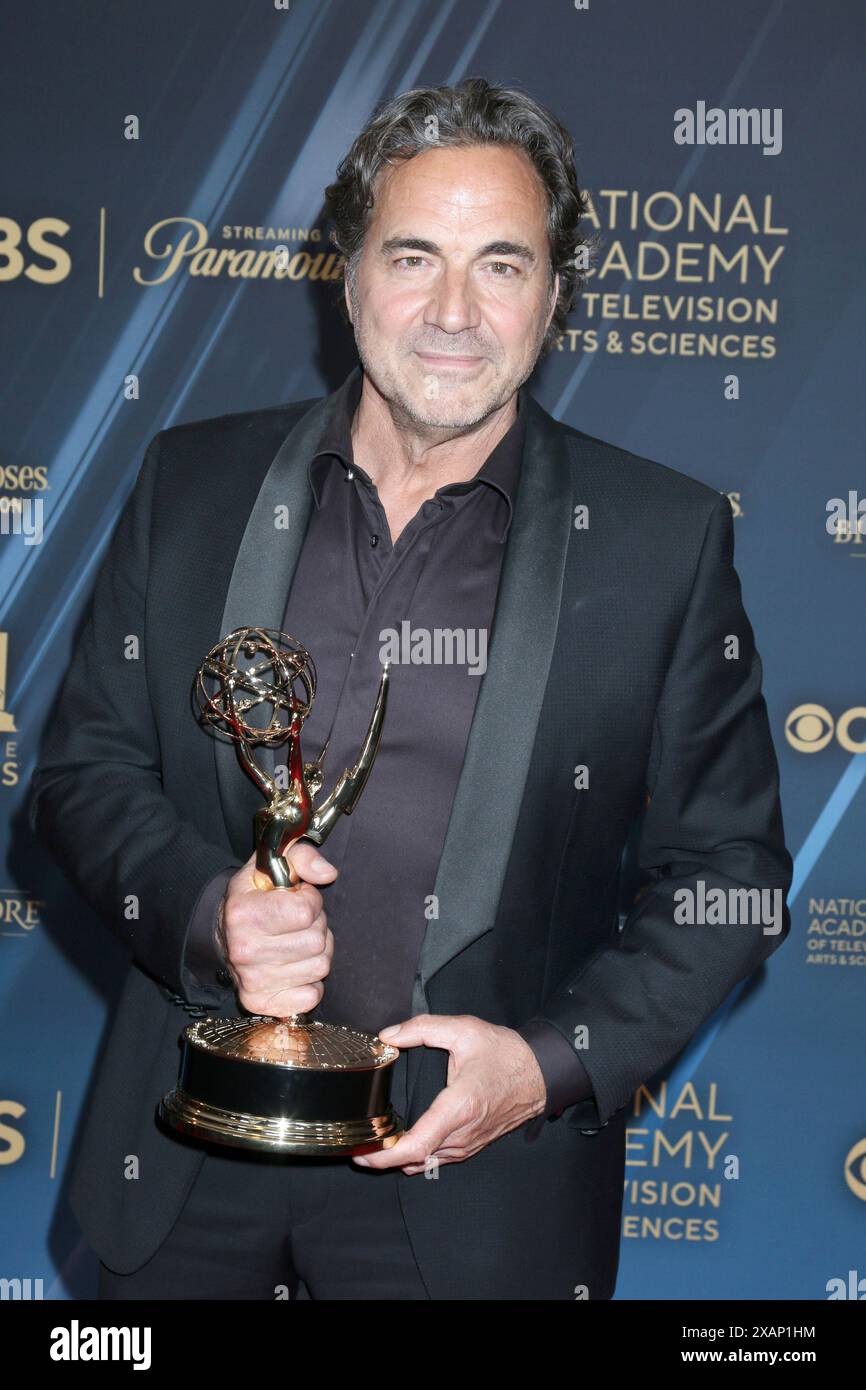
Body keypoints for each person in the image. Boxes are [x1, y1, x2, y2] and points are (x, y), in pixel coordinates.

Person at [29, 76, 792, 1301]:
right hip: (183, 1161)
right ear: (346, 277)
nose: (451, 311)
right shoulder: (193, 481)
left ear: (553, 296)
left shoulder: (658, 540)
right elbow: (82, 773)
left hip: (474, 1191)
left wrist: (544, 1065)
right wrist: (202, 912)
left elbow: (729, 875)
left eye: (499, 264)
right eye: (411, 255)